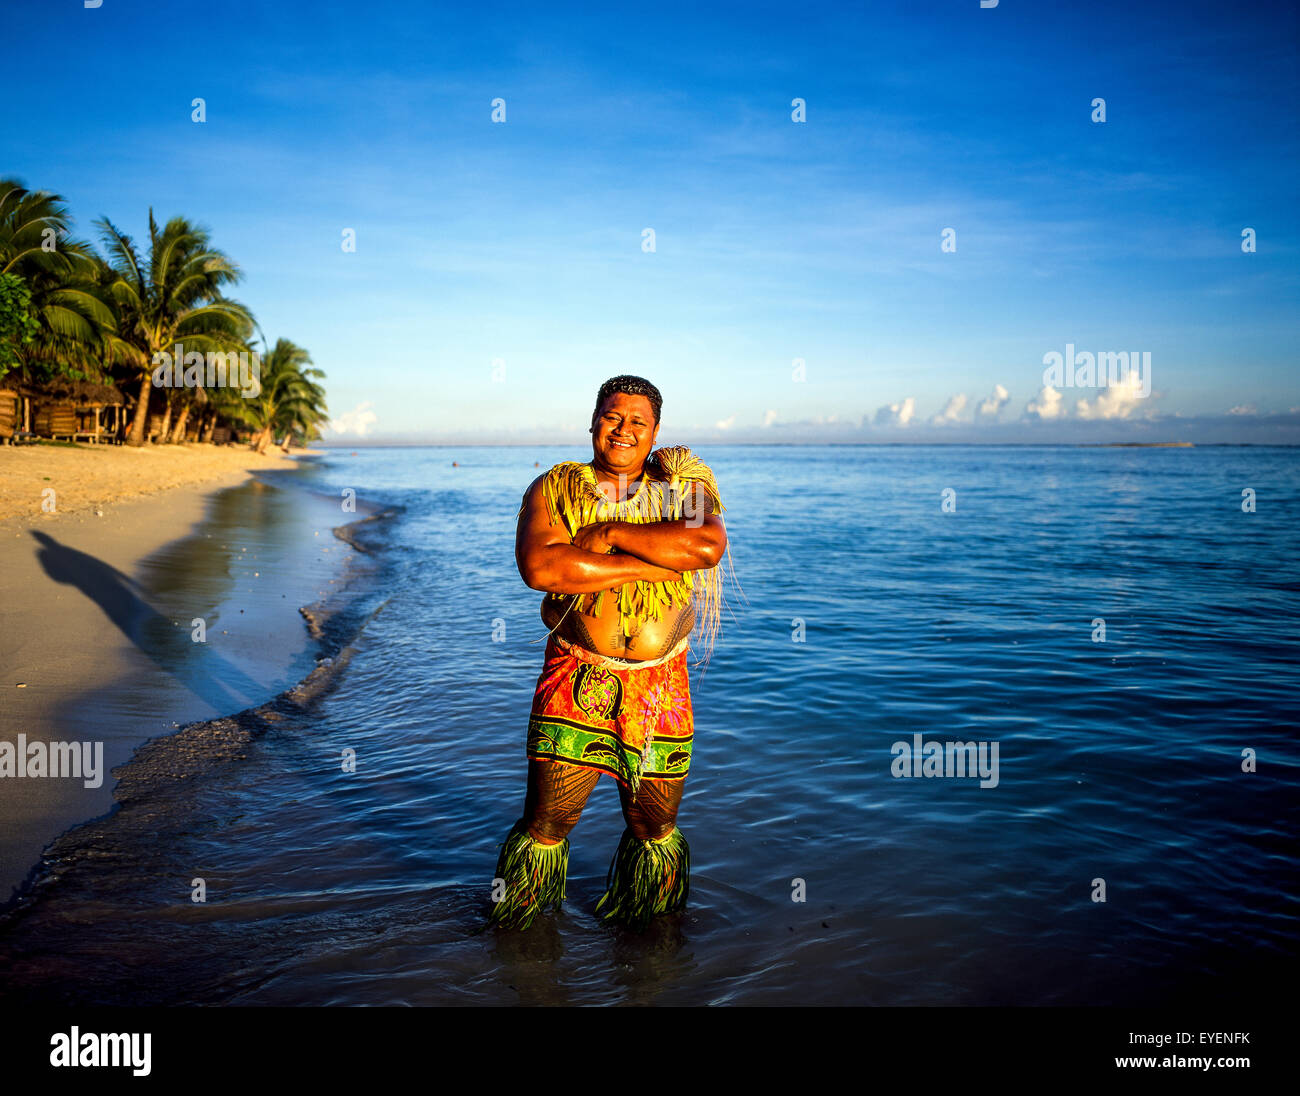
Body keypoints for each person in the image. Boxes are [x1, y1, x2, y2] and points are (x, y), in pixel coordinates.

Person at [487, 375, 731, 931]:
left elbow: (706, 545)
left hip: (660, 686)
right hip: (577, 680)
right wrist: (654, 561)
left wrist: (609, 533)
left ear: (656, 431)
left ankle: (652, 944)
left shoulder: (683, 489)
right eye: (613, 417)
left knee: (655, 826)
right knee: (548, 822)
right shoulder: (556, 488)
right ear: (593, 420)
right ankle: (518, 939)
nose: (623, 430)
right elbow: (543, 568)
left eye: (637, 421)